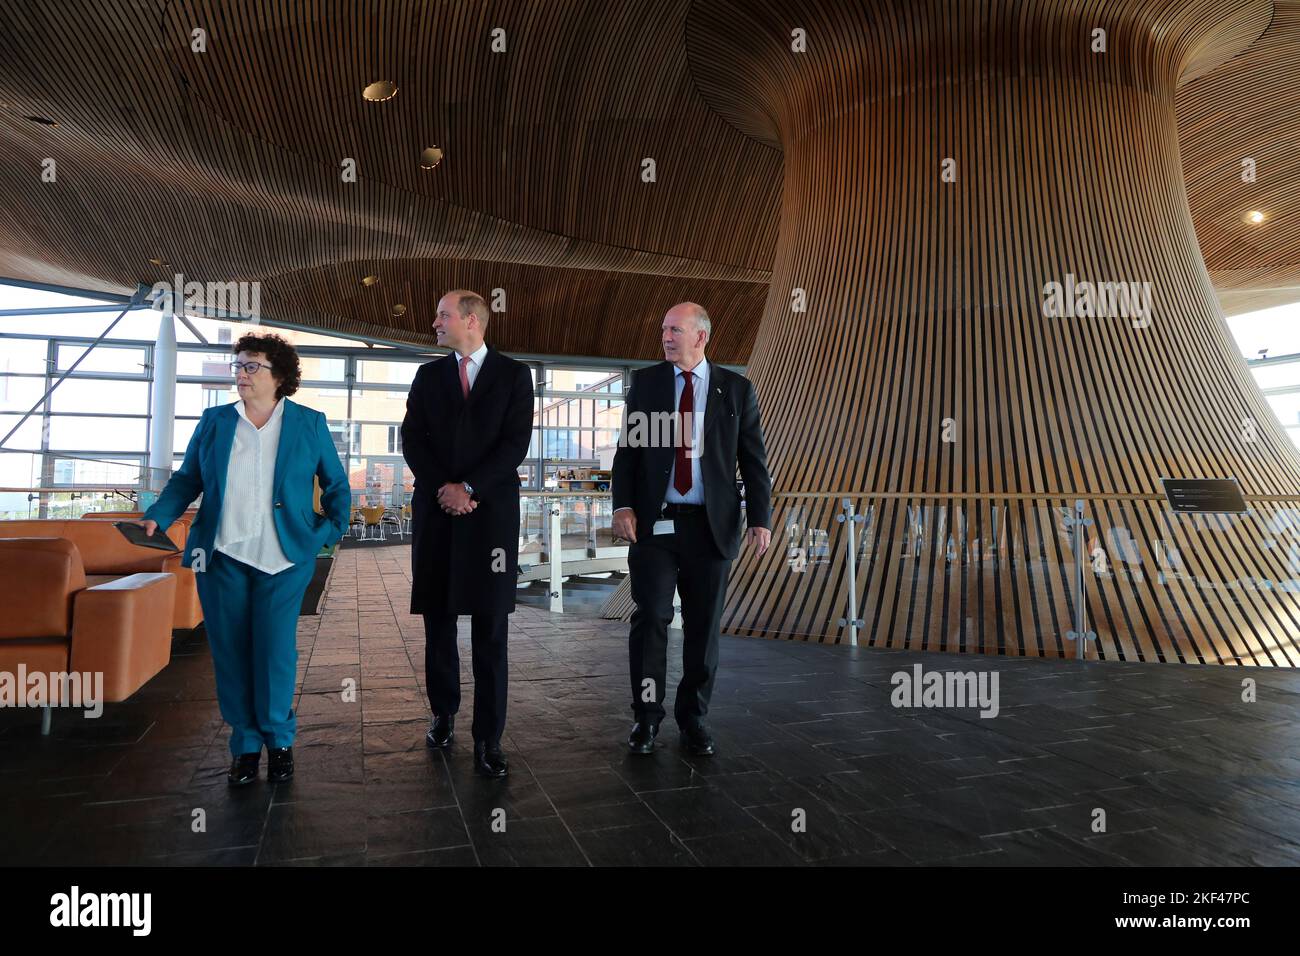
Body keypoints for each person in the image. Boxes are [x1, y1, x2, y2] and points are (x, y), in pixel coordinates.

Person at [131, 334, 350, 786]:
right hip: (221, 555)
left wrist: (326, 534)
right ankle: (245, 745)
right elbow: (187, 478)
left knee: (274, 652)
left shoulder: (308, 423)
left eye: (251, 367)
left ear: (280, 376)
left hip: (284, 557)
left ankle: (280, 740)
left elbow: (337, 486)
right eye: (239, 366)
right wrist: (159, 516)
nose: (241, 374)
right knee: (230, 653)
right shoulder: (214, 421)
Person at [611, 302, 772, 756]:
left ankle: (694, 718)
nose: (665, 336)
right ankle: (646, 718)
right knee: (651, 619)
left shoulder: (735, 390)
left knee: (703, 626)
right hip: (655, 526)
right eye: (663, 328)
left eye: (674, 329)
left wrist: (760, 518)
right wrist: (622, 504)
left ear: (700, 337)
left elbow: (754, 462)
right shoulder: (647, 384)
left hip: (711, 528)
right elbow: (628, 453)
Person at [401, 290, 533, 778]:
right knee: (438, 621)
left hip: (490, 516)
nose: (434, 321)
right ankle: (444, 713)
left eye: (443, 314)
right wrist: (445, 488)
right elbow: (412, 437)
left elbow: (514, 444)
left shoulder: (515, 375)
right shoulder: (428, 375)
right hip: (438, 511)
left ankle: (488, 737)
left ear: (472, 320)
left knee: (490, 629)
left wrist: (471, 487)